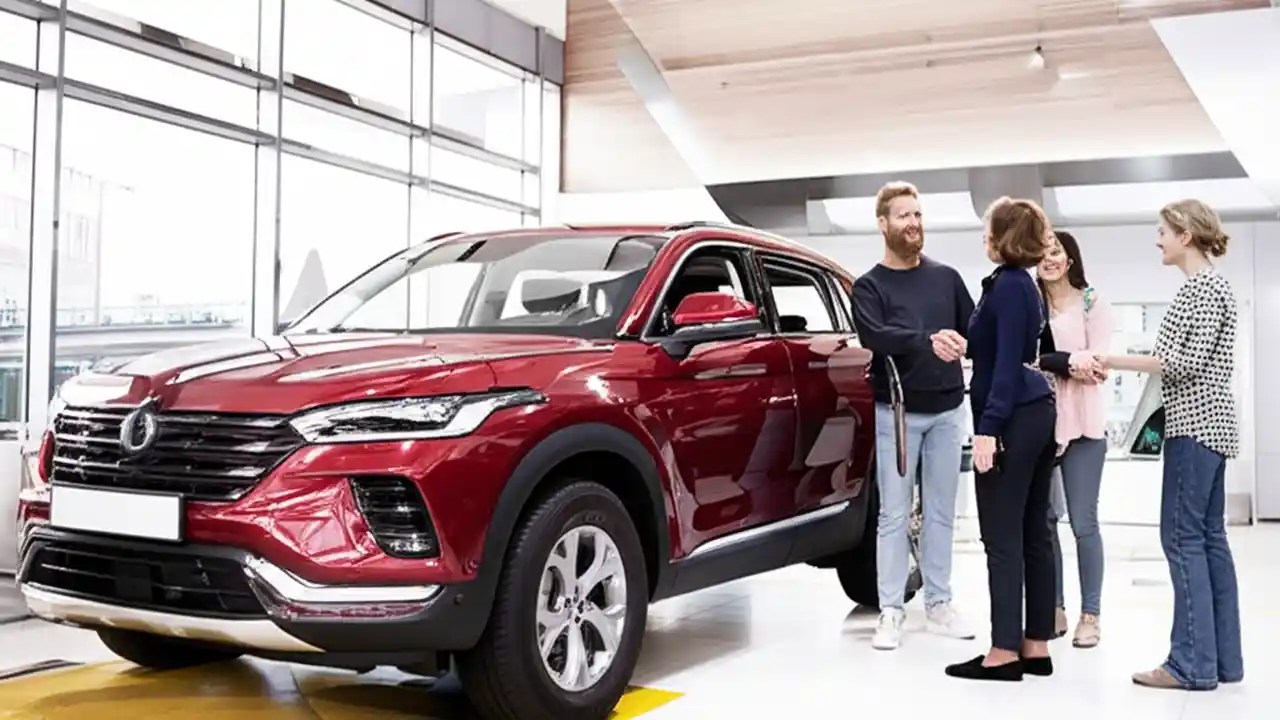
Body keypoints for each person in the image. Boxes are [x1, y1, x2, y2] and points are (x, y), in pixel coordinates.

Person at [1095, 199, 1242, 690]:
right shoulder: (1213, 287)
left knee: (1181, 540)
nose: (1157, 240)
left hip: (1195, 426)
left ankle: (1190, 665)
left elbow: (1183, 362)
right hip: (1215, 427)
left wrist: (1110, 359)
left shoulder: (1200, 289)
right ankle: (1223, 661)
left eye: (1161, 231)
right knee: (1209, 540)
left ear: (1185, 234)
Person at [850, 181, 977, 651]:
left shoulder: (946, 279)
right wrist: (925, 339)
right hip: (897, 413)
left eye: (918, 215)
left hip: (947, 411)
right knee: (894, 514)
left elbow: (975, 328)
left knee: (942, 512)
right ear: (884, 224)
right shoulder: (869, 286)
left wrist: (967, 343)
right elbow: (875, 336)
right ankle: (890, 610)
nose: (914, 223)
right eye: (904, 216)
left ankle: (940, 602)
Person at [942, 196, 1058, 682]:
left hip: (1012, 418)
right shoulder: (1022, 286)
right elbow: (1003, 355)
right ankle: (1035, 645)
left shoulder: (1008, 286)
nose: (983, 236)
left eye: (988, 228)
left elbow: (1007, 366)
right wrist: (969, 347)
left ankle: (1003, 651)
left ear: (1003, 235)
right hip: (1035, 412)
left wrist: (987, 429)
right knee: (1033, 532)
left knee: (1002, 536)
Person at [1036, 230, 1113, 648]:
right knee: (1046, 521)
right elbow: (1028, 359)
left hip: (1084, 425)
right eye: (1042, 253)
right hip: (1043, 425)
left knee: (1084, 522)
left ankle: (1091, 614)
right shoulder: (1031, 304)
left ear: (1070, 260)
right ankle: (1056, 606)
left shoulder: (1092, 302)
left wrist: (1058, 362)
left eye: (1056, 252)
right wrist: (1070, 362)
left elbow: (1099, 364)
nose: (1049, 259)